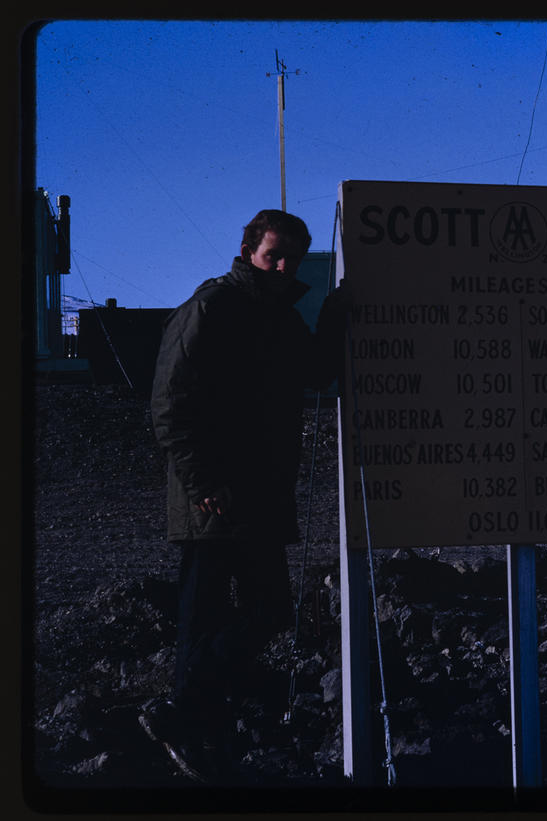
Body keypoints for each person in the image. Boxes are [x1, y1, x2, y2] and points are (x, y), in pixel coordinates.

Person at [140, 209, 347, 783]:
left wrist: (333, 315)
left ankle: (190, 722)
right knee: (210, 620)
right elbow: (170, 403)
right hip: (212, 501)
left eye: (291, 259)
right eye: (272, 256)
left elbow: (317, 370)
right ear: (247, 249)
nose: (282, 267)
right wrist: (202, 483)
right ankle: (193, 729)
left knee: (263, 611)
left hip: (257, 497)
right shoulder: (210, 308)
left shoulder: (280, 317)